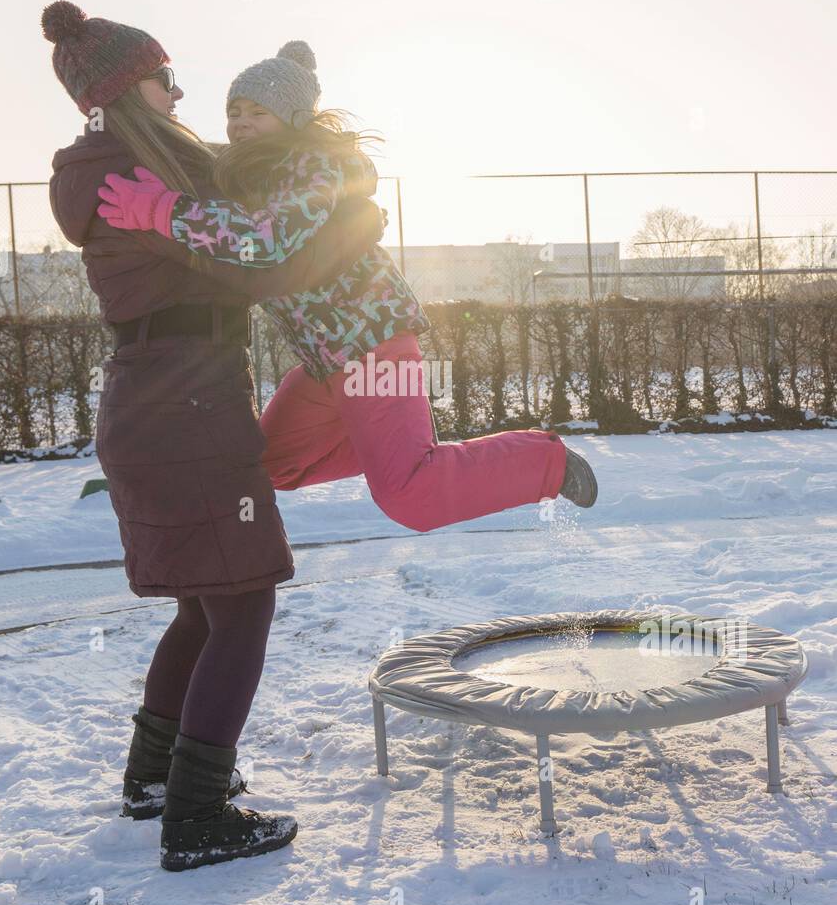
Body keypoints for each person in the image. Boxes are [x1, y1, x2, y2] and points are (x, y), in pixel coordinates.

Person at [43, 3, 385, 872]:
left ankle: (153, 782)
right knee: (245, 600)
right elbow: (261, 263)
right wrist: (350, 226)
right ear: (128, 88)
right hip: (188, 411)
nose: (180, 89)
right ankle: (196, 819)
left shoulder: (110, 167)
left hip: (150, 405)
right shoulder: (141, 173)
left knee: (204, 604)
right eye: (165, 77)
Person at [97, 40, 598, 535]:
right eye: (234, 111)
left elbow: (265, 238)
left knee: (412, 498)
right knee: (275, 463)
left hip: (373, 346)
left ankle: (544, 462)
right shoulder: (255, 173)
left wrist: (164, 211)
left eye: (257, 112)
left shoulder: (315, 168)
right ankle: (401, 447)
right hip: (325, 363)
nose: (241, 123)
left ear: (294, 120)